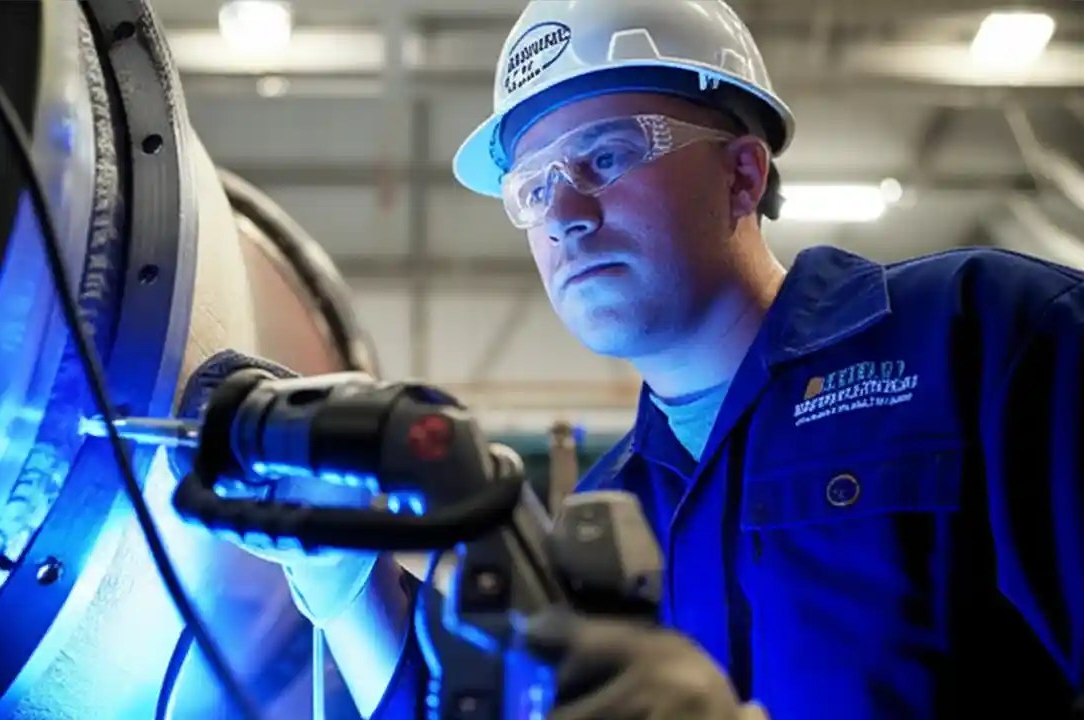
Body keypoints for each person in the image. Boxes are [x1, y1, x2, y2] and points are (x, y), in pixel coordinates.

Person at [229, 1, 1084, 718]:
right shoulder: (604, 513)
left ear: (743, 177)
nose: (563, 212)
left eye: (605, 157)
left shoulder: (988, 337)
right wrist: (348, 589)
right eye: (532, 188)